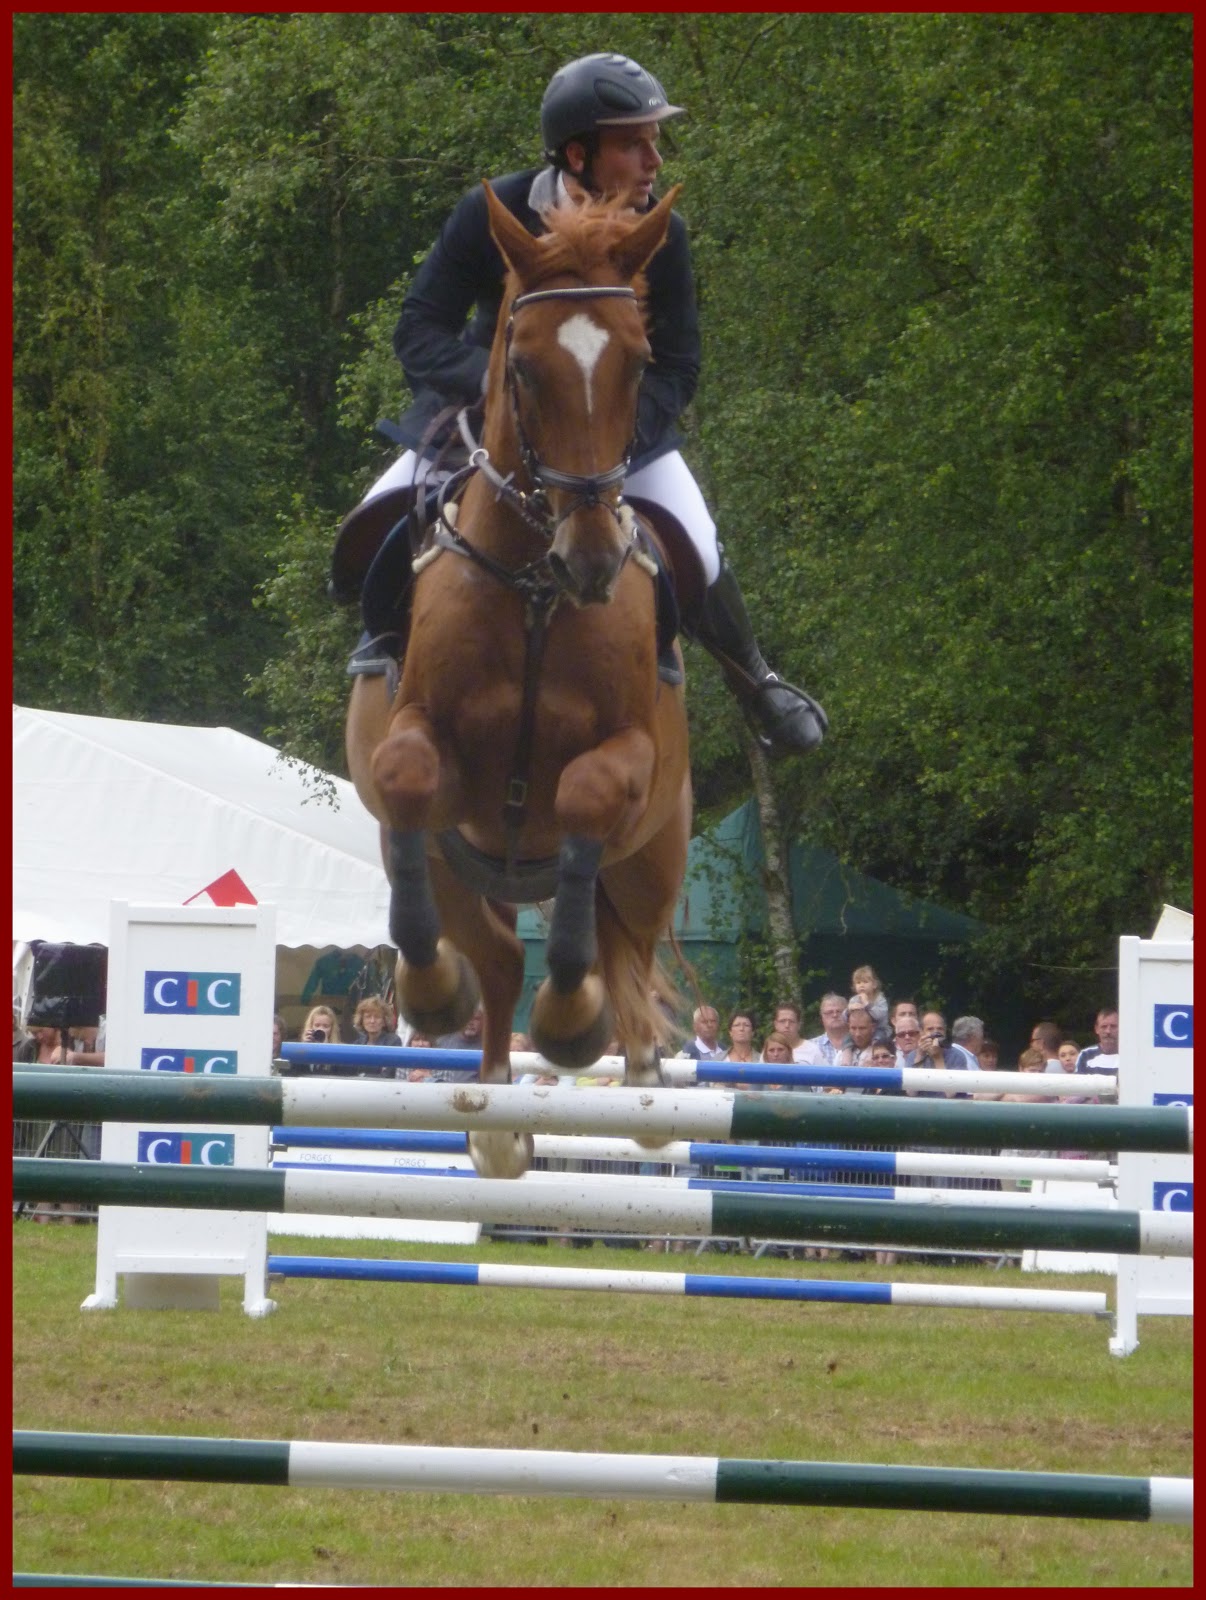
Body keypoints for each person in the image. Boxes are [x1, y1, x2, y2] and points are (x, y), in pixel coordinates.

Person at [336, 50, 827, 759]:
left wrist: (613, 432)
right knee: (375, 517)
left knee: (701, 545)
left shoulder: (666, 236)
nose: (654, 158)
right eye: (635, 141)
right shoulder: (492, 210)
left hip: (620, 436)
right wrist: (506, 389)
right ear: (578, 153)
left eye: (655, 140)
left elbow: (680, 365)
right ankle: (381, 641)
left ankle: (755, 675)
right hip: (485, 421)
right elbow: (417, 330)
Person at [796, 993, 848, 1066]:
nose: (835, 1015)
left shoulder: (860, 1043)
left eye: (839, 1011)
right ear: (822, 1017)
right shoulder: (809, 1046)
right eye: (829, 1012)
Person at [1075, 1008, 1120, 1077]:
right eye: (1104, 1027)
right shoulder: (1086, 1056)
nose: (1108, 1031)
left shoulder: (1130, 1056)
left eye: (1113, 1026)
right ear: (1097, 1029)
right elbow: (1078, 1085)